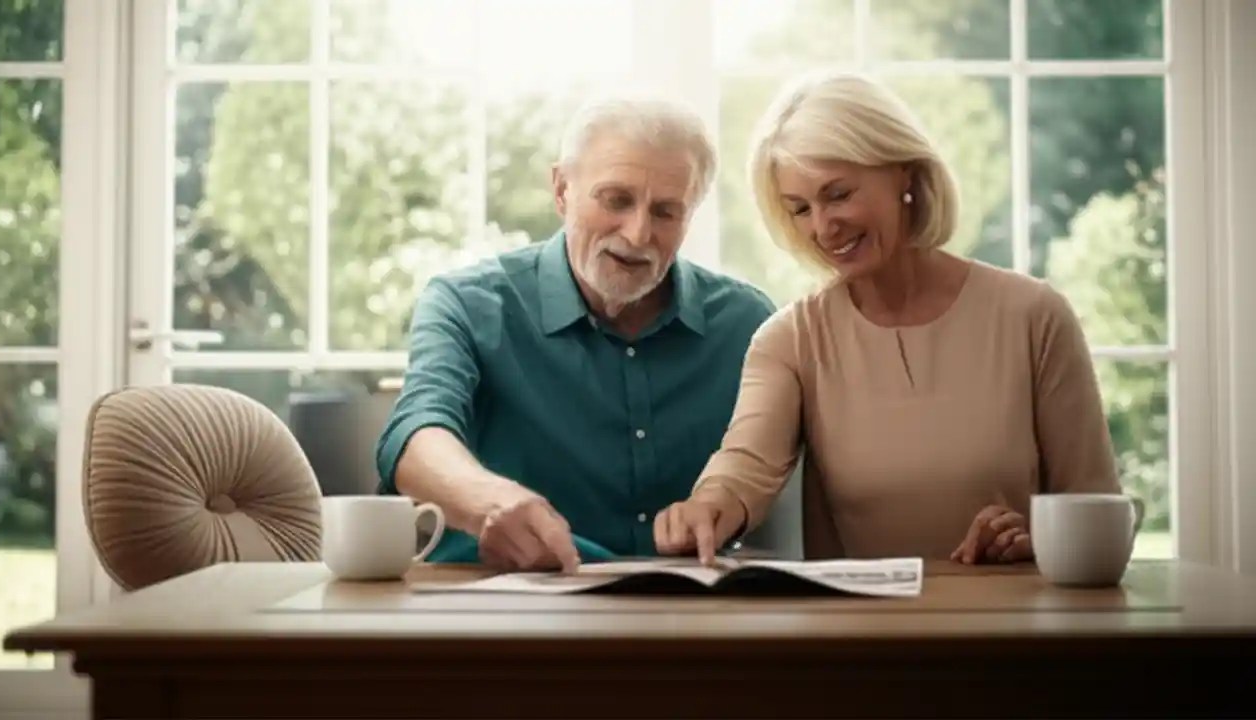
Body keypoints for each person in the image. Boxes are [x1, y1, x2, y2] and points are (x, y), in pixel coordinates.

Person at [654, 71, 1121, 566]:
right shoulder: (790, 340)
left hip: (1016, 630)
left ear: (903, 172)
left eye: (838, 195)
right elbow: (746, 466)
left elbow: (1098, 510)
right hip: (860, 638)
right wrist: (706, 507)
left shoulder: (1034, 317)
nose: (823, 226)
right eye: (800, 208)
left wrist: (1034, 540)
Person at [375, 93, 776, 572]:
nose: (636, 234)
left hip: (679, 618)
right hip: (502, 611)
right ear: (562, 189)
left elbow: (772, 465)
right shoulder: (466, 304)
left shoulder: (746, 323)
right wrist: (486, 500)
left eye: (666, 212)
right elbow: (415, 437)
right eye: (616, 200)